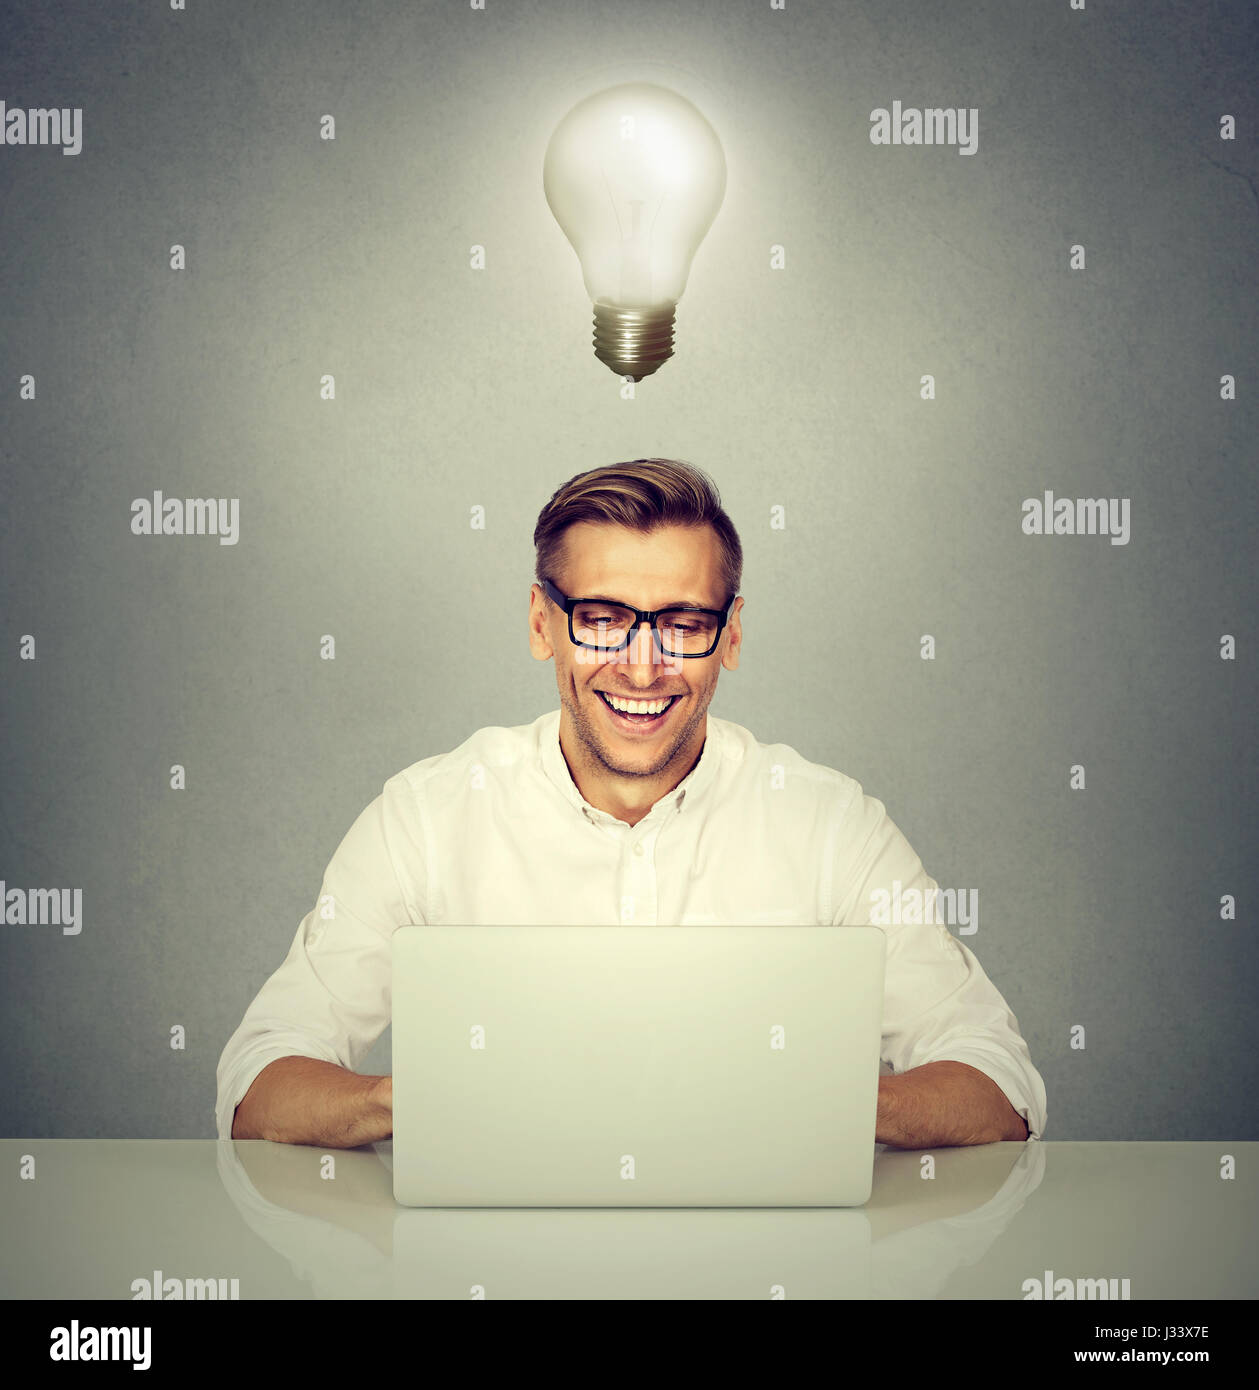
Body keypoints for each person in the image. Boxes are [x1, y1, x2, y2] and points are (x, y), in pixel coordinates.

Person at [217, 458, 1046, 1149]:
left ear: (730, 633)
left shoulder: (831, 828)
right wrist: (411, 1104)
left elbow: (1000, 1088)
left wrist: (832, 1106)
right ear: (543, 623)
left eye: (683, 622)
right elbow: (258, 1086)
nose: (642, 668)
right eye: (603, 619)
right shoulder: (426, 819)